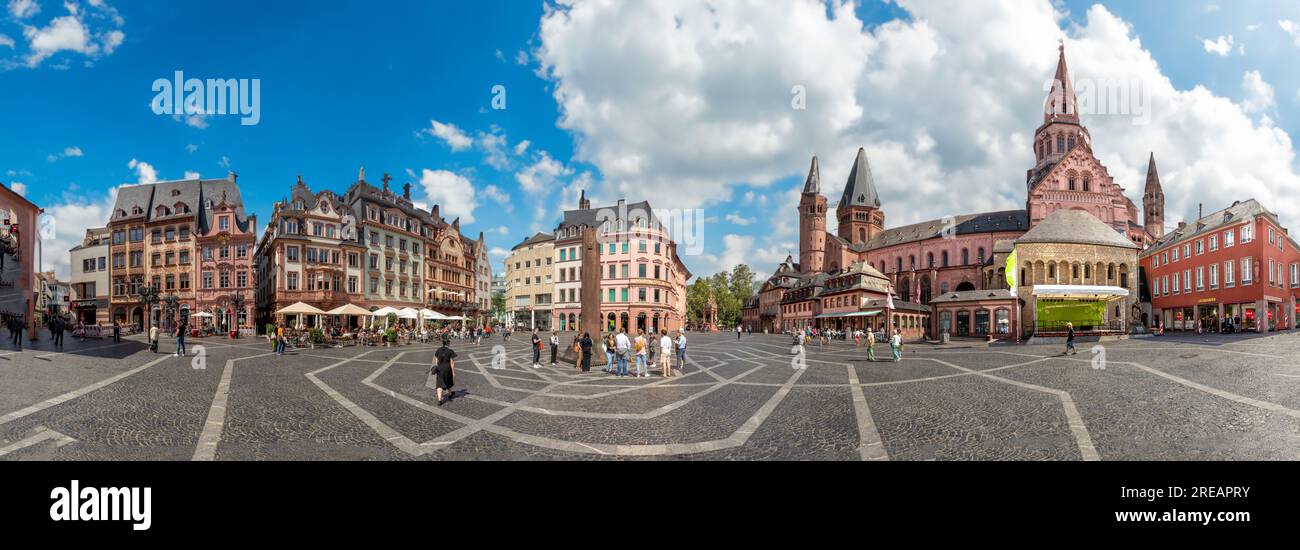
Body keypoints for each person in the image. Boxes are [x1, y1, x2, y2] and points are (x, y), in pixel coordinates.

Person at [431, 336, 457, 406]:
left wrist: (438, 366)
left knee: (439, 384)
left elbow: (436, 358)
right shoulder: (450, 351)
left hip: (440, 369)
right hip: (447, 369)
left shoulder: (438, 350)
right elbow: (452, 363)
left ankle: (440, 400)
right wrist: (453, 372)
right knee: (448, 381)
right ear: (448, 344)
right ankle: (450, 393)